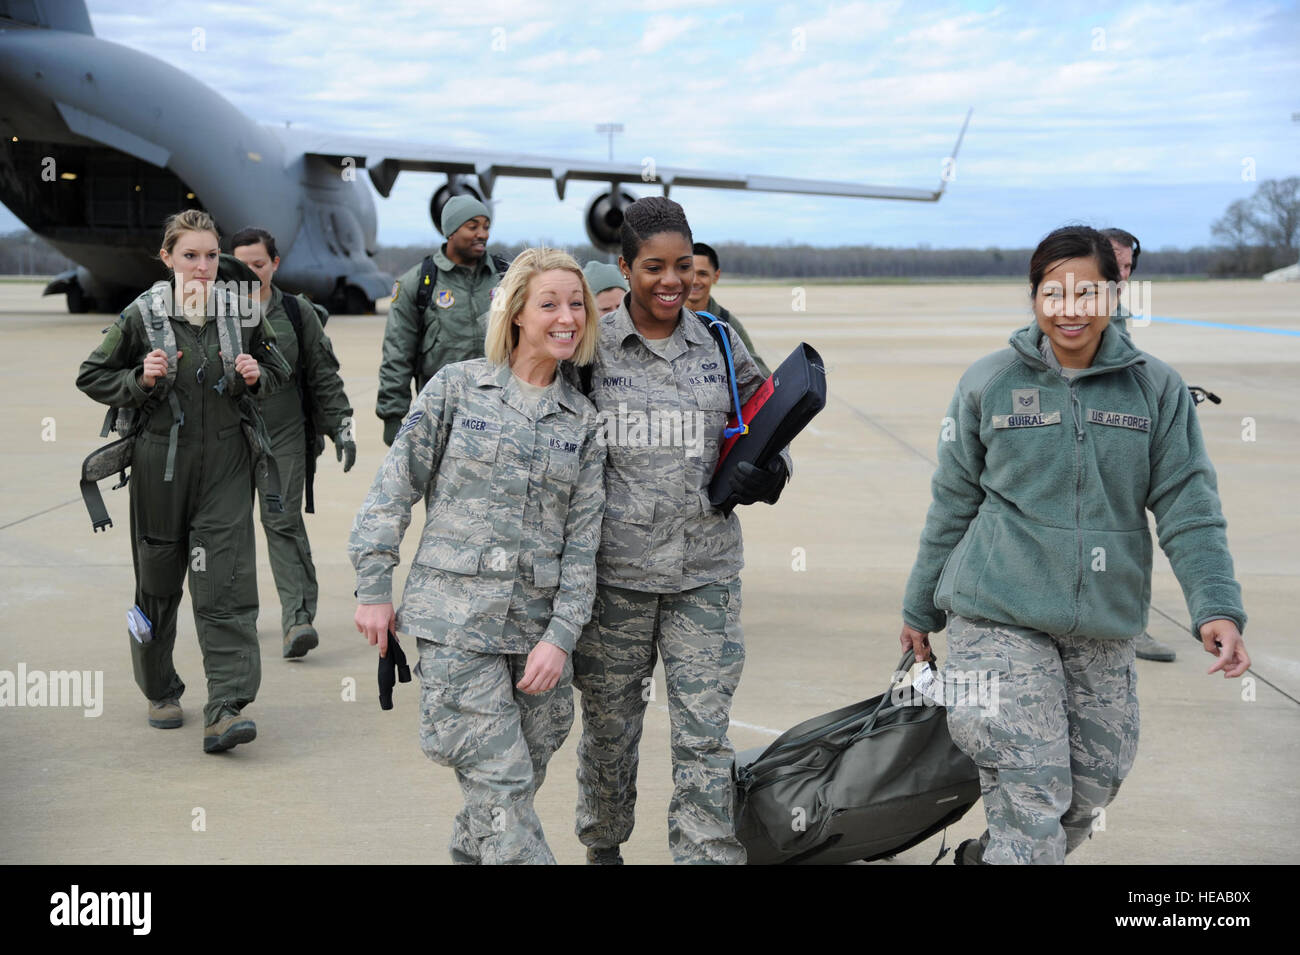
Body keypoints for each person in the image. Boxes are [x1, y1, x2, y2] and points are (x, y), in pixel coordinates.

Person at [899, 225, 1250, 865]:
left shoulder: (1156, 389)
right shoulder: (989, 382)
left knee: (1091, 787)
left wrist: (1216, 607)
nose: (1070, 310)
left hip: (1102, 620)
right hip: (995, 611)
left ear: (1115, 294)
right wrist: (920, 609)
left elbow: (1189, 506)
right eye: (1053, 294)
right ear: (1034, 298)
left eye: (1087, 293)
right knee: (1031, 786)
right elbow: (952, 502)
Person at [350, 247, 606, 864]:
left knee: (504, 798)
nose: (566, 316)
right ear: (516, 311)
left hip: (536, 637)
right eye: (549, 304)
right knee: (505, 786)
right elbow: (392, 489)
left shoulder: (584, 422)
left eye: (576, 304)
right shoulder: (458, 389)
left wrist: (561, 637)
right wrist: (373, 587)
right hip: (454, 624)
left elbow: (583, 546)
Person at [573, 197, 792, 865]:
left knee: (703, 736)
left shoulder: (722, 343)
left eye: (683, 266)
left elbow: (767, 420)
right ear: (624, 267)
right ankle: (604, 843)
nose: (671, 281)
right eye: (653, 268)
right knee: (611, 730)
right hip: (617, 579)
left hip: (706, 573)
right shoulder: (589, 350)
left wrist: (772, 470)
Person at [76, 209, 291, 753]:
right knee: (157, 585)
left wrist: (255, 377)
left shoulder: (241, 314)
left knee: (227, 584)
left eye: (212, 256)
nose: (202, 267)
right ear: (168, 257)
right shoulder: (141, 314)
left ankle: (226, 707)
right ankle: (160, 689)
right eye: (190, 256)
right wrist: (138, 379)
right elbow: (92, 375)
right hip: (159, 467)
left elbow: (279, 370)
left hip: (225, 465)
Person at [232, 228, 357, 659]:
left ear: (275, 264)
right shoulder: (210, 312)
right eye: (240, 265)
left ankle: (297, 620)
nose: (250, 273)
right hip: (226, 434)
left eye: (259, 265)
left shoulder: (296, 312)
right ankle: (234, 617)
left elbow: (322, 373)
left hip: (283, 433)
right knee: (225, 529)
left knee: (281, 521)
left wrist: (341, 424)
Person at [1100, 227, 1176, 664]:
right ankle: (1129, 626)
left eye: (1129, 266)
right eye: (1116, 264)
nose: (1124, 274)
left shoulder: (1115, 307)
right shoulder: (1087, 307)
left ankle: (1126, 621)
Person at [376, 195, 507, 446]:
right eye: (472, 226)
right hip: (441, 411)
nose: (482, 234)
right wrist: (392, 415)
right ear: (450, 231)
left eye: (486, 226)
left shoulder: (506, 278)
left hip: (502, 409)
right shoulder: (417, 284)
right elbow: (397, 352)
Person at [686, 241, 770, 378]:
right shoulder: (664, 319)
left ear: (716, 276)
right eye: (689, 272)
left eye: (702, 274)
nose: (695, 281)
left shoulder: (727, 324)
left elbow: (759, 373)